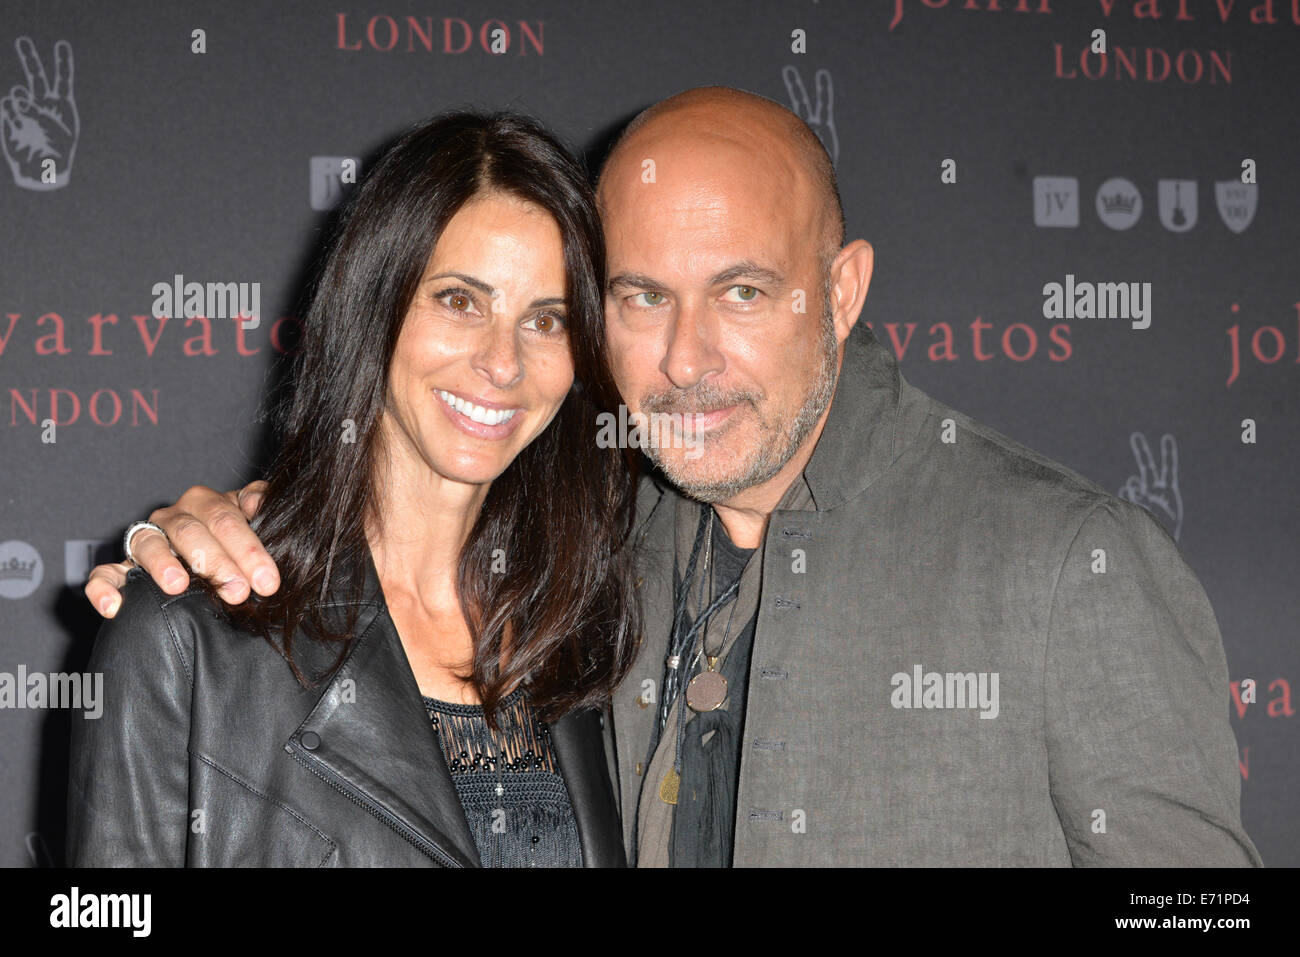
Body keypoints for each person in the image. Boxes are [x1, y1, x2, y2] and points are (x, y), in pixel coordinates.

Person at [86, 87, 1261, 867]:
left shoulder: (1063, 563)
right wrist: (235, 532)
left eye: (742, 292)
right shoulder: (603, 569)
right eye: (641, 297)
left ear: (840, 294)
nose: (685, 358)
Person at [68, 110, 639, 867]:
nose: (504, 362)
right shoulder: (188, 642)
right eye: (460, 301)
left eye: (547, 319)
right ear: (376, 304)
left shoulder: (582, 638)